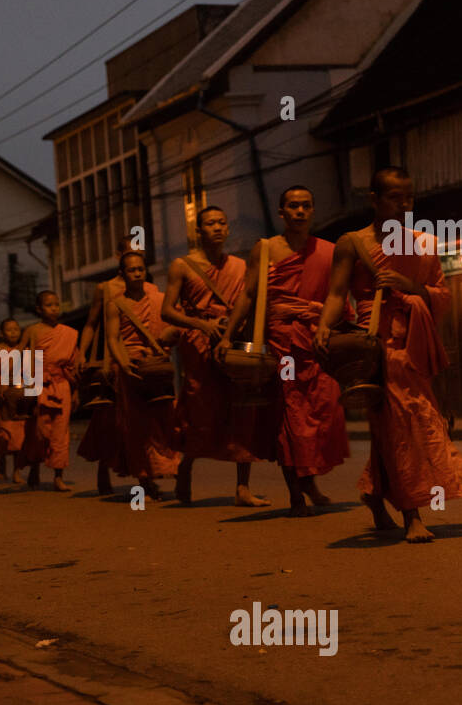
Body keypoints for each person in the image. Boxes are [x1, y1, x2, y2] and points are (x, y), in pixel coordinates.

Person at [315, 166, 462, 543]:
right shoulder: (352, 243)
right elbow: (337, 293)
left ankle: (374, 494)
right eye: (394, 197)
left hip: (414, 343)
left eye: (409, 197)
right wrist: (324, 325)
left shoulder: (422, 243)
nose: (404, 205)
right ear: (373, 199)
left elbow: (441, 295)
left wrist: (410, 286)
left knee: (396, 429)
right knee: (402, 428)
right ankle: (412, 516)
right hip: (377, 348)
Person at [218, 186, 349, 516]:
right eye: (293, 206)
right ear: (281, 212)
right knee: (289, 417)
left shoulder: (328, 251)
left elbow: (337, 295)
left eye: (306, 205)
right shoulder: (264, 250)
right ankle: (296, 493)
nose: (300, 211)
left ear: (313, 211)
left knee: (323, 410)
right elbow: (248, 296)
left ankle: (309, 481)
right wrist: (228, 336)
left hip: (316, 342)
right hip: (282, 344)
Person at [161, 206, 275, 507]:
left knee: (243, 407)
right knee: (202, 409)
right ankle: (185, 467)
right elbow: (167, 310)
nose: (217, 228)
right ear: (198, 231)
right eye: (210, 223)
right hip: (198, 343)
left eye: (222, 222)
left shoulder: (239, 265)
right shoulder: (181, 266)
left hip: (232, 340)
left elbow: (249, 303)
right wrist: (201, 324)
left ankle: (242, 487)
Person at [105, 250, 181, 500]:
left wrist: (169, 336)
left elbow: (175, 328)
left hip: (158, 368)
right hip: (131, 371)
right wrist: (124, 364)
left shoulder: (159, 300)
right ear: (122, 274)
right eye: (131, 270)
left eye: (140, 268)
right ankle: (145, 482)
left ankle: (177, 473)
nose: (137, 273)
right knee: (137, 429)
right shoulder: (115, 304)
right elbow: (113, 339)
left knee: (167, 423)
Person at [76, 261, 127, 495]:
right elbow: (91, 324)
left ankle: (145, 477)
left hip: (139, 360)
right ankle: (103, 468)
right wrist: (81, 354)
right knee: (108, 420)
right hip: (111, 363)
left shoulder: (147, 287)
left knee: (143, 419)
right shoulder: (105, 289)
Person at [21, 290, 80, 491]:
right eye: (49, 305)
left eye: (56, 304)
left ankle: (58, 476)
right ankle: (35, 467)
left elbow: (73, 364)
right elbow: (22, 357)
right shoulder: (32, 331)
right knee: (39, 431)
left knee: (61, 433)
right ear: (39, 309)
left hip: (62, 384)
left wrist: (75, 390)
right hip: (38, 385)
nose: (54, 308)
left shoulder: (69, 333)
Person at [0, 318, 27, 483]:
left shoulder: (24, 350)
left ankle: (16, 472)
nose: (13, 332)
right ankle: (2, 461)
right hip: (3, 397)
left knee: (19, 438)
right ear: (1, 333)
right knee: (3, 435)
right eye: (9, 330)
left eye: (16, 329)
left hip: (20, 399)